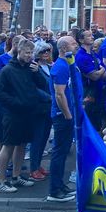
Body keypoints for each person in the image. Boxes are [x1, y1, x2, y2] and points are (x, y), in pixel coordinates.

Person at [0, 38, 49, 193]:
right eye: (26, 52)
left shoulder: (31, 68)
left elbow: (43, 85)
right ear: (19, 51)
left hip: (29, 113)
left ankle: (16, 177)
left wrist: (37, 72)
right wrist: (15, 103)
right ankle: (1, 181)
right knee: (8, 145)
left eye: (31, 52)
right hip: (13, 114)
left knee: (22, 145)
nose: (29, 55)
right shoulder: (7, 70)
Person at [41, 36, 77, 202]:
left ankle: (60, 185)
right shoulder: (61, 67)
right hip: (62, 116)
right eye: (72, 43)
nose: (75, 45)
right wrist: (68, 115)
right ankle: (55, 190)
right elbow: (59, 93)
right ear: (63, 48)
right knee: (59, 152)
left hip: (68, 114)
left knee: (62, 153)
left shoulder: (66, 64)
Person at [29, 41, 54, 182]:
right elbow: (34, 88)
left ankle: (38, 166)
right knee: (37, 139)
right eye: (43, 51)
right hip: (39, 107)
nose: (46, 54)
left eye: (48, 51)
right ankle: (33, 168)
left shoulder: (50, 66)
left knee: (44, 138)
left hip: (49, 107)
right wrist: (49, 97)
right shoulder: (34, 67)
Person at [75, 27, 106, 130]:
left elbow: (104, 73)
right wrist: (102, 69)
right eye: (88, 36)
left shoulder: (93, 54)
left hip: (99, 94)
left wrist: (101, 70)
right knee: (91, 125)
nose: (92, 37)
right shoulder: (81, 56)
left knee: (98, 124)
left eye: (91, 35)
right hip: (88, 95)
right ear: (81, 40)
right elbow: (95, 76)